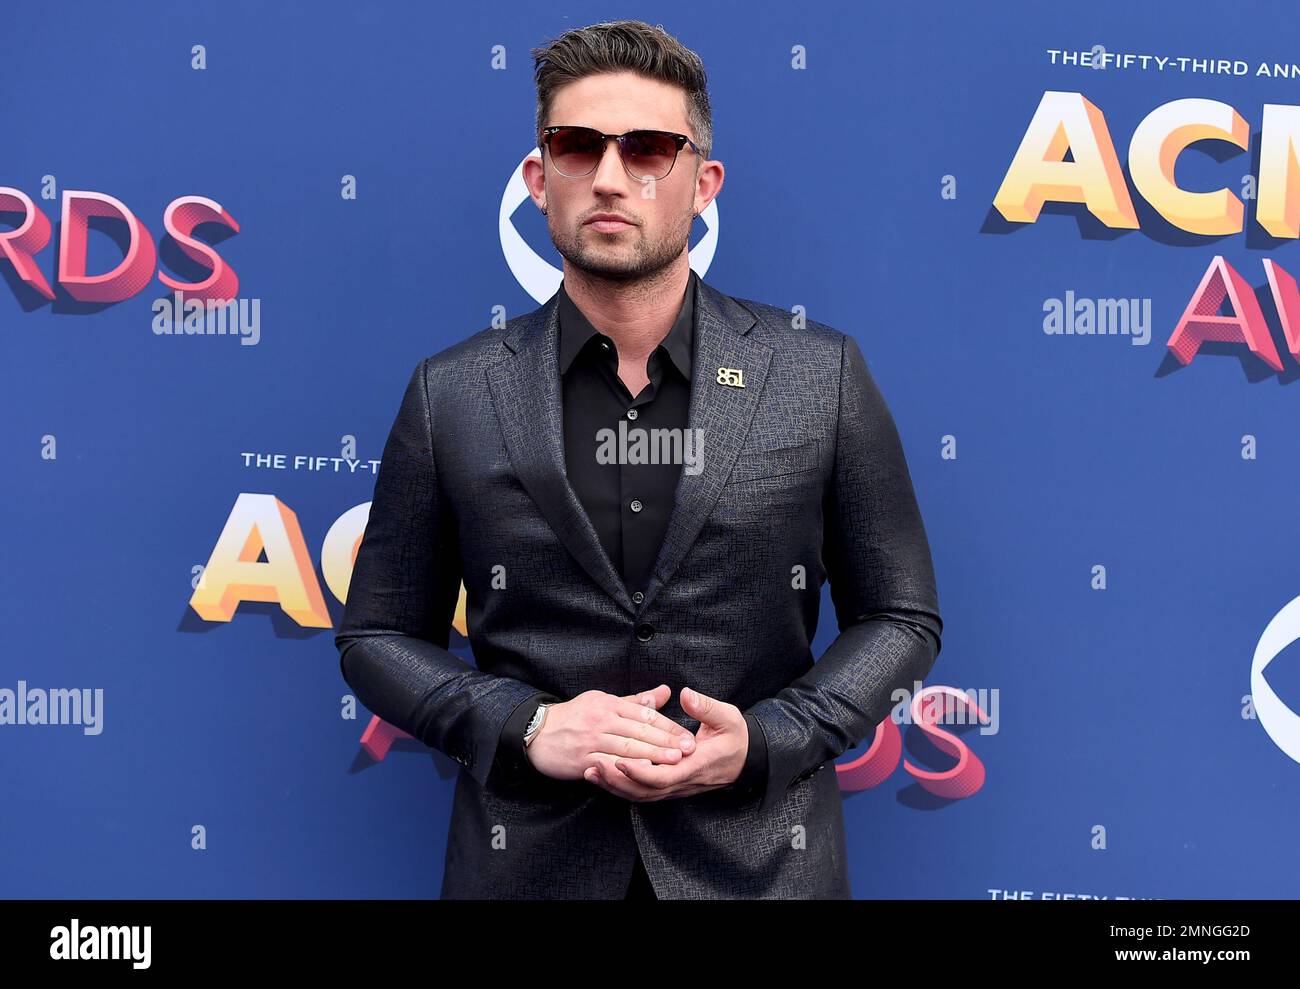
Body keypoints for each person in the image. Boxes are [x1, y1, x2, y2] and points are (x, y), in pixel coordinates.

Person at [336, 19, 942, 900]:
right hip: (527, 871)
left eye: (650, 148)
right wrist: (527, 722)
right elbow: (376, 635)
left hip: (764, 871)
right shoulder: (452, 393)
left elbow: (901, 616)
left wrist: (768, 738)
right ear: (540, 182)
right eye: (579, 149)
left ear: (704, 182)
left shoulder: (821, 374)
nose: (611, 179)